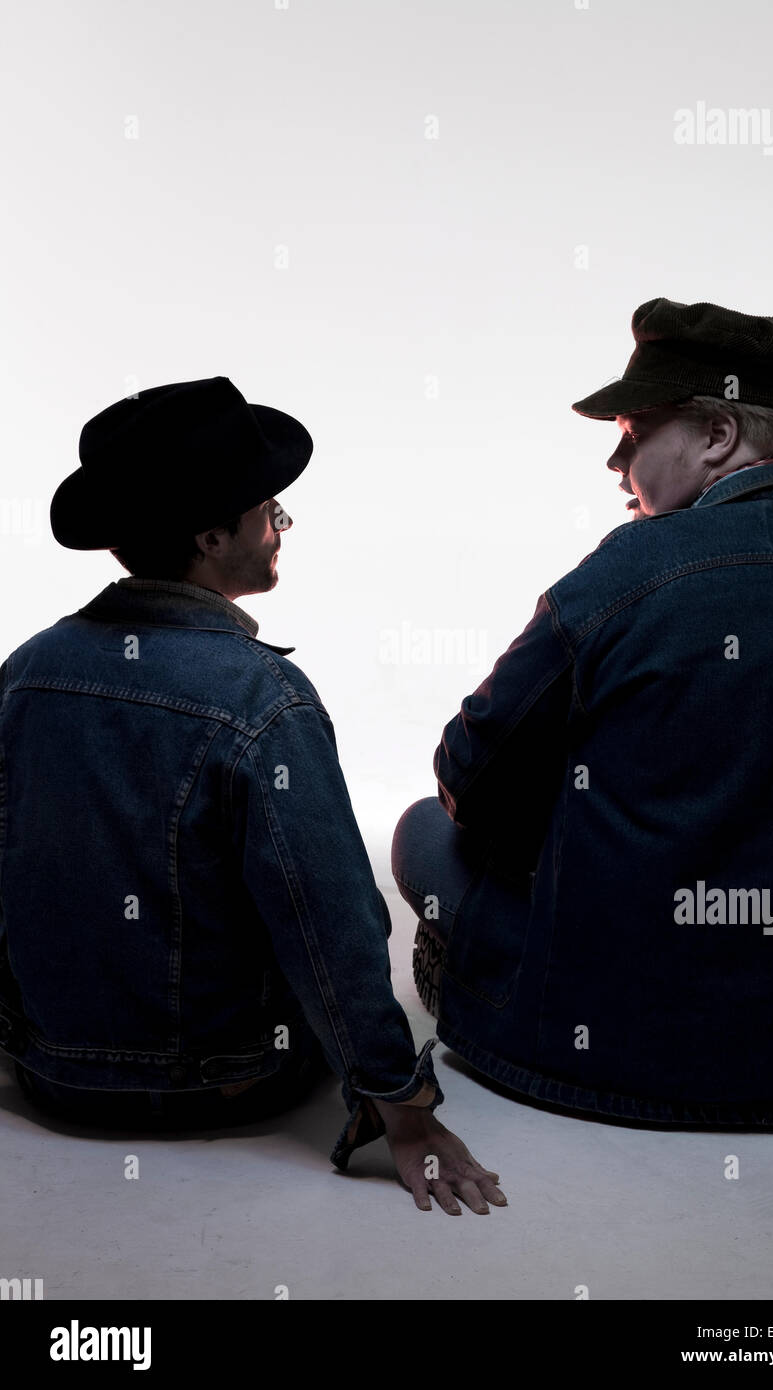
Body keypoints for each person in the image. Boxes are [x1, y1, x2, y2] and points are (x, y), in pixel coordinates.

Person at [0, 376, 506, 1216]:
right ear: (210, 535)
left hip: (50, 1076)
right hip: (221, 1085)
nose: (280, 530)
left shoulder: (24, 674)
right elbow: (330, 919)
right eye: (271, 512)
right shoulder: (262, 700)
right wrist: (404, 1109)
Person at [393, 296, 773, 1129]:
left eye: (633, 431)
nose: (617, 461)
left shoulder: (632, 566)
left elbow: (474, 777)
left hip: (616, 1054)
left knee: (422, 828)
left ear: (717, 436)